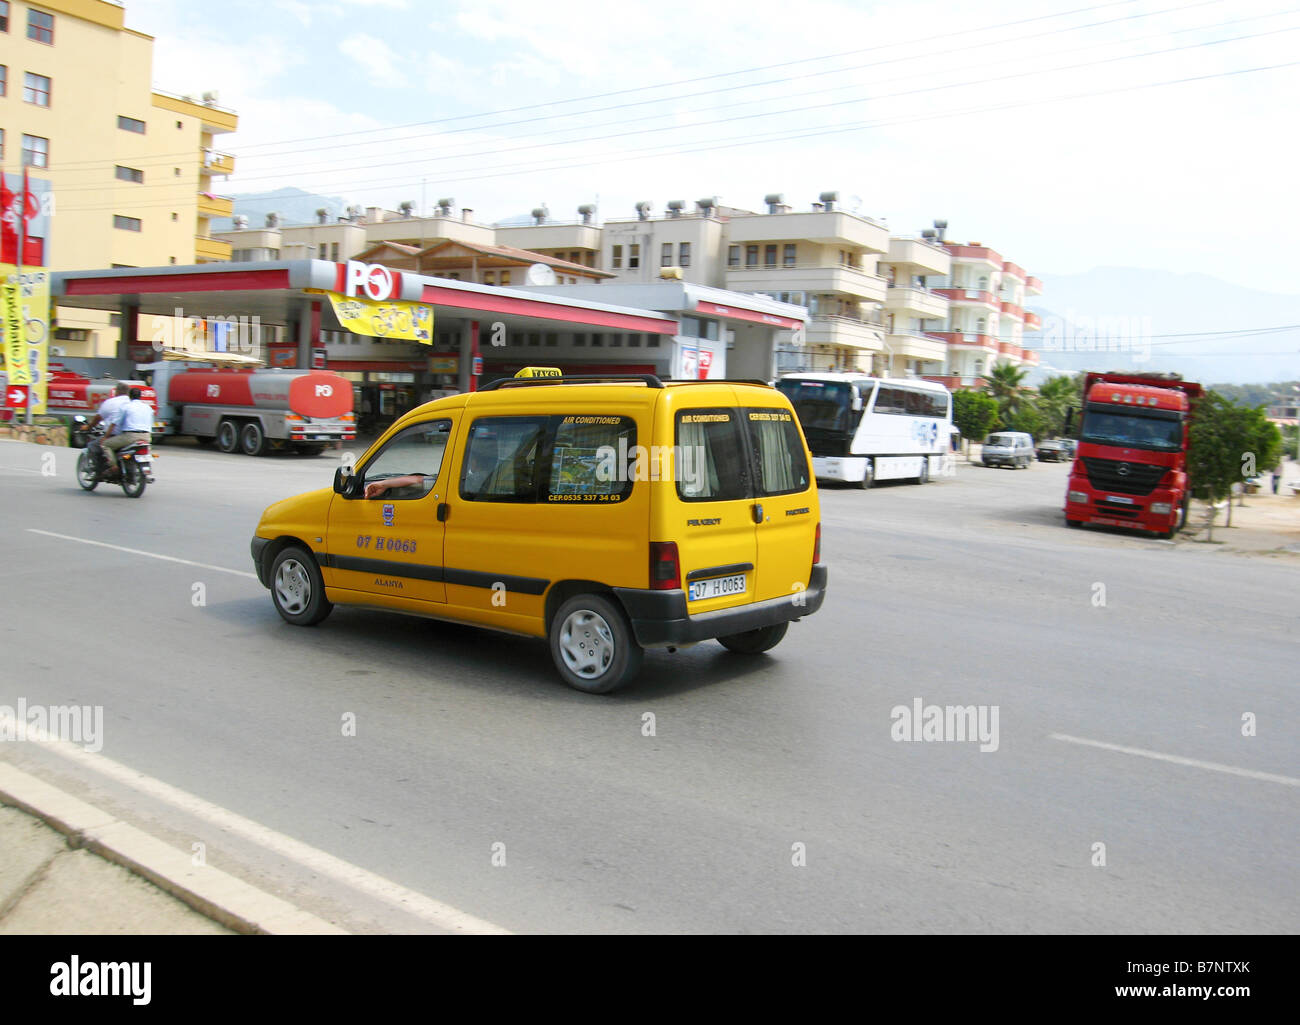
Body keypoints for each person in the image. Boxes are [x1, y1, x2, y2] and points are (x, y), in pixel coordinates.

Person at [101, 387, 153, 476]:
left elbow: (114, 423)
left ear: (130, 396)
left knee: (106, 445)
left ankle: (113, 467)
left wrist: (105, 436)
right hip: (147, 437)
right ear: (140, 397)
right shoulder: (148, 407)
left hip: (130, 437)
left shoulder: (126, 407)